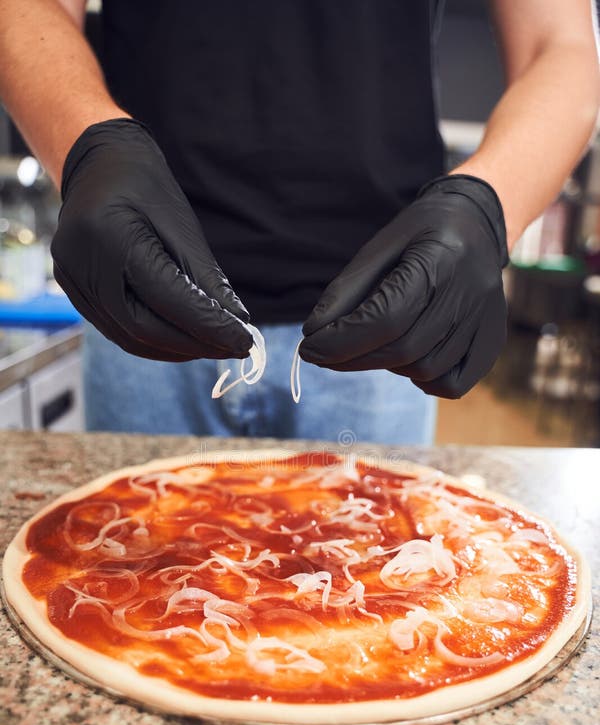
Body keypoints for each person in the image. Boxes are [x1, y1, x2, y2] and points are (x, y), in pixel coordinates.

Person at [0, 1, 598, 443]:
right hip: (138, 311)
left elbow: (561, 43)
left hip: (386, 332)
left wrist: (490, 205)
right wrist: (88, 147)